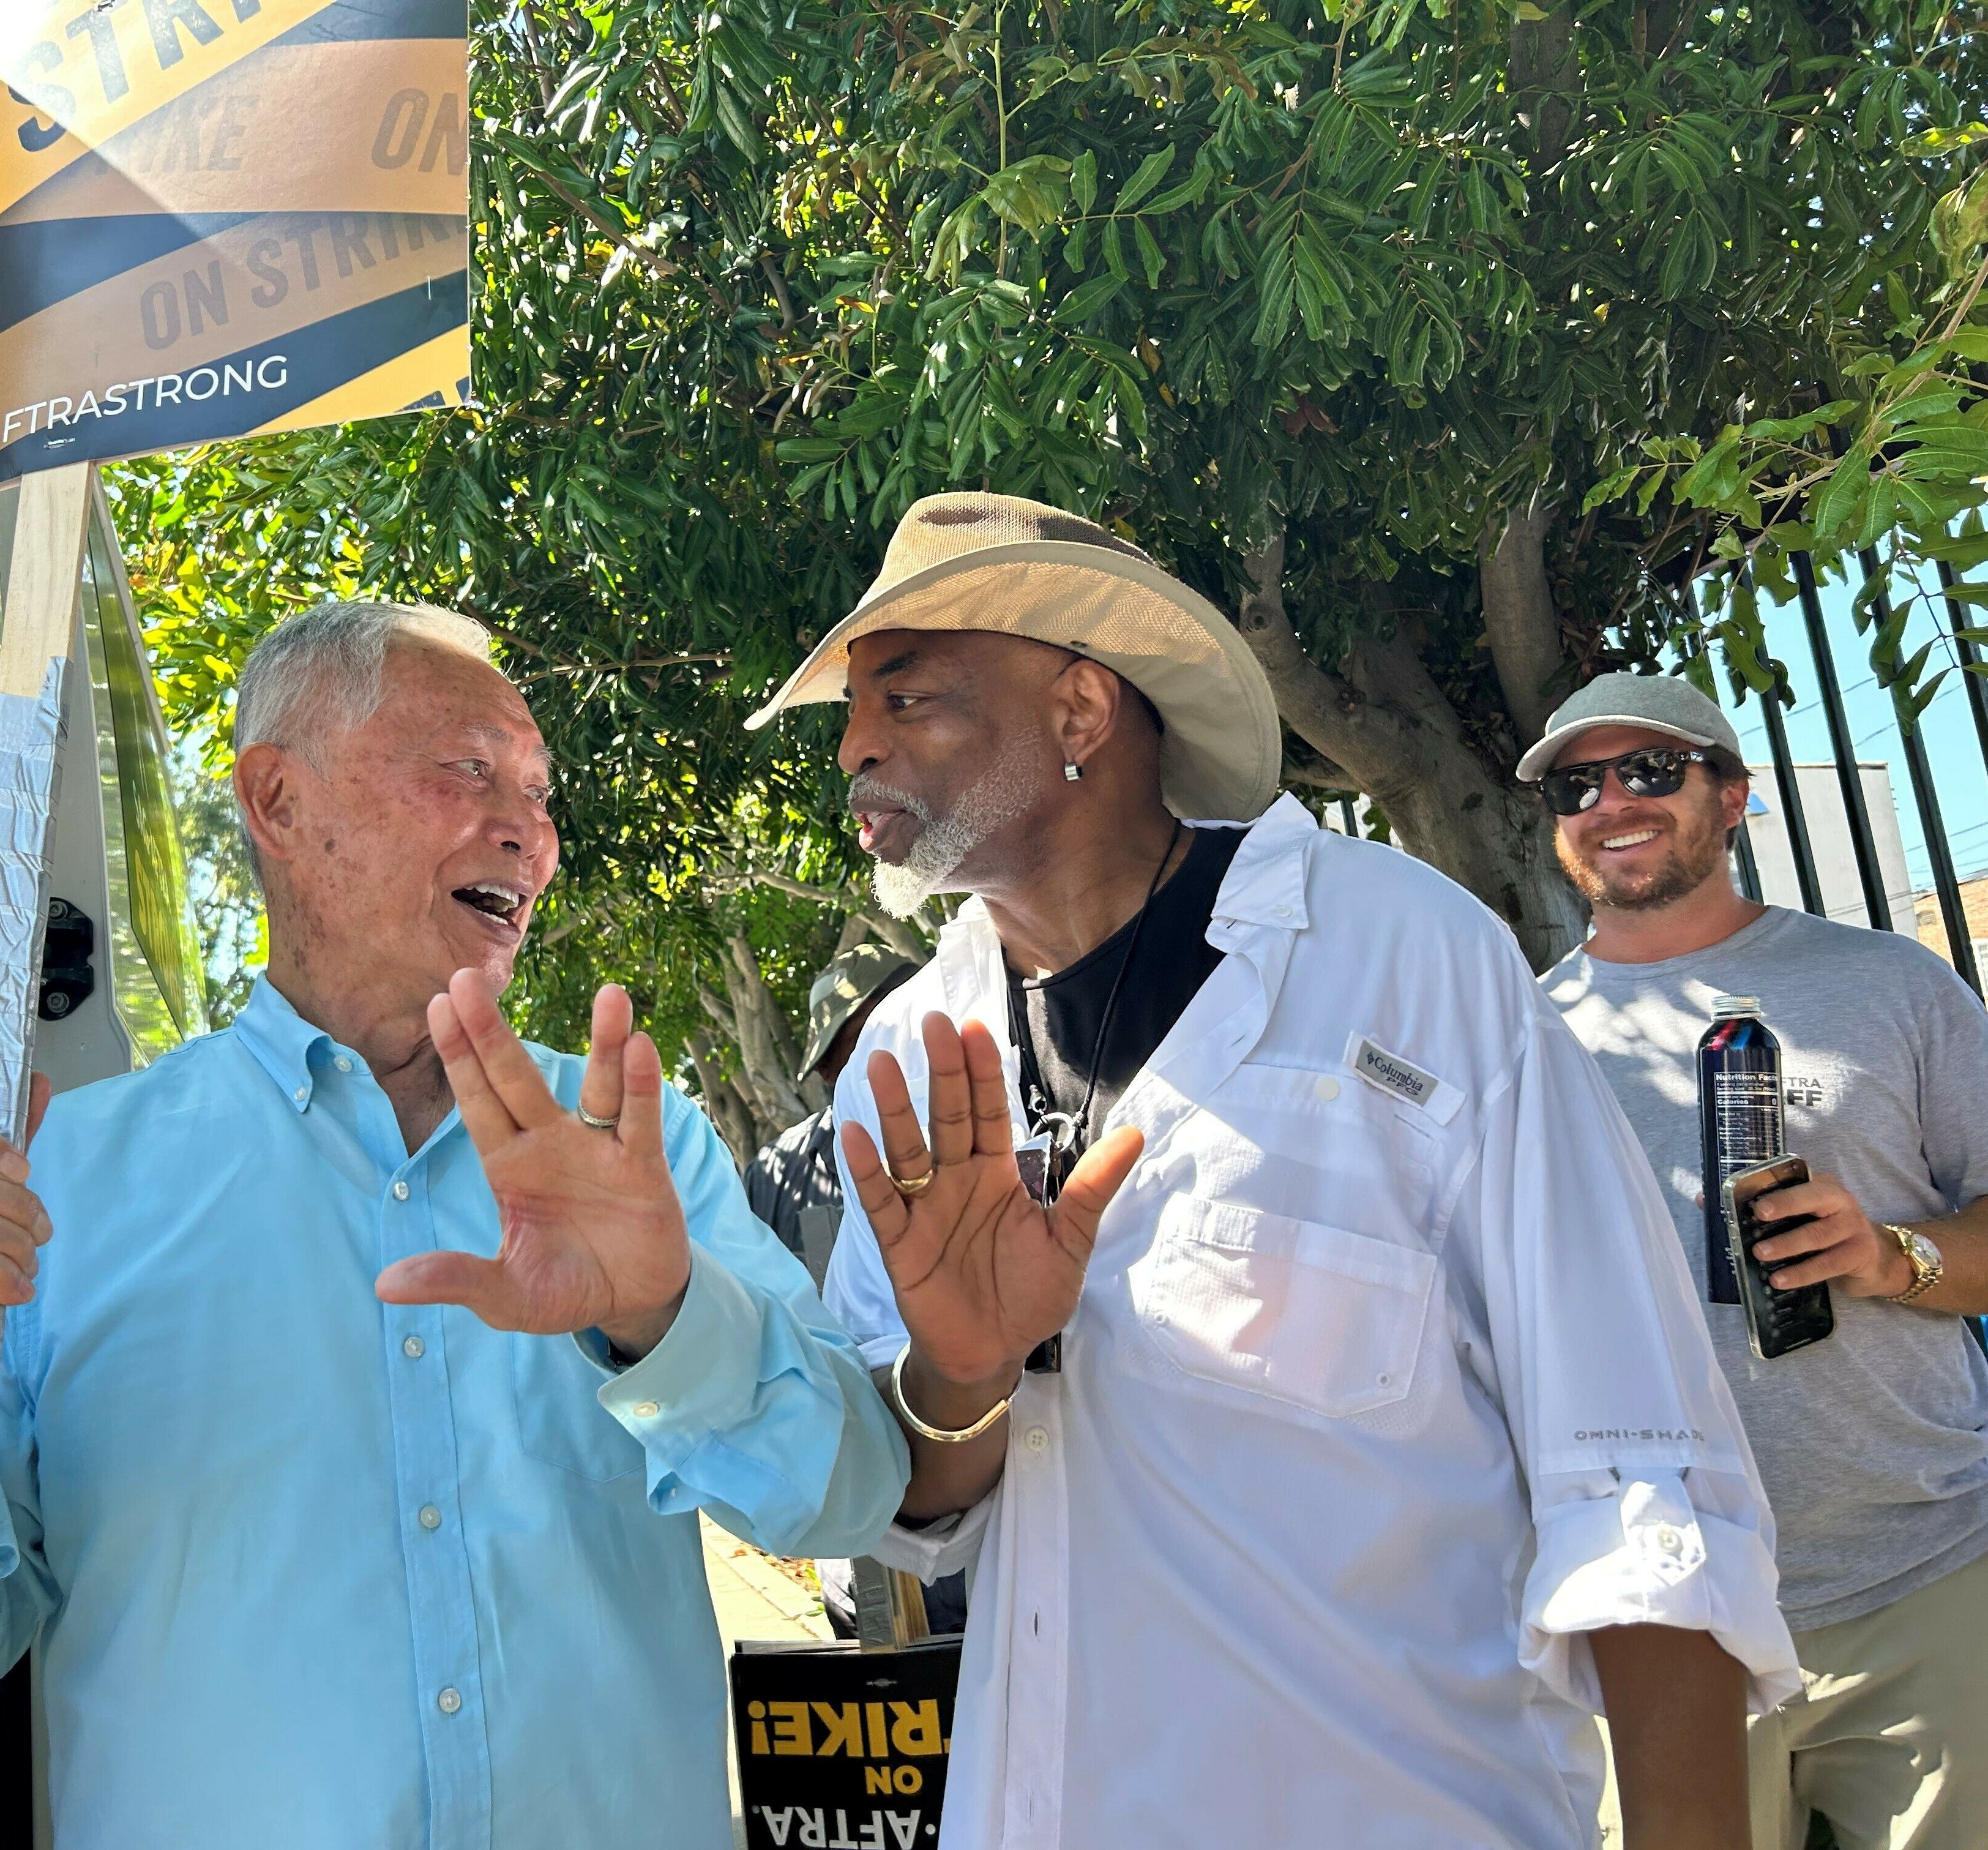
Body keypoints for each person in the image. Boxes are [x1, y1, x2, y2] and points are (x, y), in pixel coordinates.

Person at [0, 601, 909, 1850]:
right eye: (467, 768)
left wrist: (661, 1319)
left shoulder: (632, 1143)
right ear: (280, 803)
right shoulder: (64, 1183)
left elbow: (843, 1502)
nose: (527, 829)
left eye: (537, 788)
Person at [742, 492, 1799, 1850]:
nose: (854, 748)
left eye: (907, 698)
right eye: (853, 710)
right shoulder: (906, 1046)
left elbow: (1641, 1469)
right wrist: (963, 1373)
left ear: (1078, 714)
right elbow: (918, 1502)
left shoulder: (1401, 959)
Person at [1530, 670, 1988, 1850]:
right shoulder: (1520, 1039)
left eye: (1648, 770)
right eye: (1575, 784)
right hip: (1651, 1608)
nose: (1608, 804)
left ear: (1731, 796)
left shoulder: (1893, 985)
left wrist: (1892, 1256)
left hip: (1920, 1572)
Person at [743, 940, 957, 1639]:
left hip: (997, 1509)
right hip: (857, 1515)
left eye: (889, 1029)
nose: (873, 1065)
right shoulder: (780, 1171)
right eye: (851, 1052)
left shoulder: (991, 1134)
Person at [745, 939, 922, 1286]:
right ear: (829, 1069)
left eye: (907, 1017)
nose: (899, 1040)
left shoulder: (1005, 1116)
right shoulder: (774, 1180)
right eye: (868, 1035)